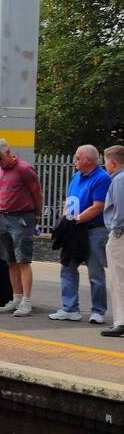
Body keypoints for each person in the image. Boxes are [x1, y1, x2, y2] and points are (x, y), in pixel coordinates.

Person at [49, 145, 111, 324]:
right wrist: (65, 219)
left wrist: (75, 220)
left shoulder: (102, 178)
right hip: (74, 229)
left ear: (88, 160)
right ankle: (70, 308)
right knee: (67, 267)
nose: (75, 161)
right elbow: (69, 200)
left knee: (95, 271)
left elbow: (98, 206)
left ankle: (98, 311)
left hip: (93, 230)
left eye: (77, 158)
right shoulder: (76, 176)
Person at [0, 138, 43, 316]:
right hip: (4, 217)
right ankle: (17, 298)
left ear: (8, 152)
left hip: (21, 217)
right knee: (10, 261)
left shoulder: (24, 169)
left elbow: (37, 193)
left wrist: (36, 215)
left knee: (23, 260)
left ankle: (26, 302)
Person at [103, 145, 124, 338]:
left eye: (105, 162)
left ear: (112, 162)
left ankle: (120, 322)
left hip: (120, 236)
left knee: (118, 279)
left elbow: (120, 210)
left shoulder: (118, 180)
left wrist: (115, 231)